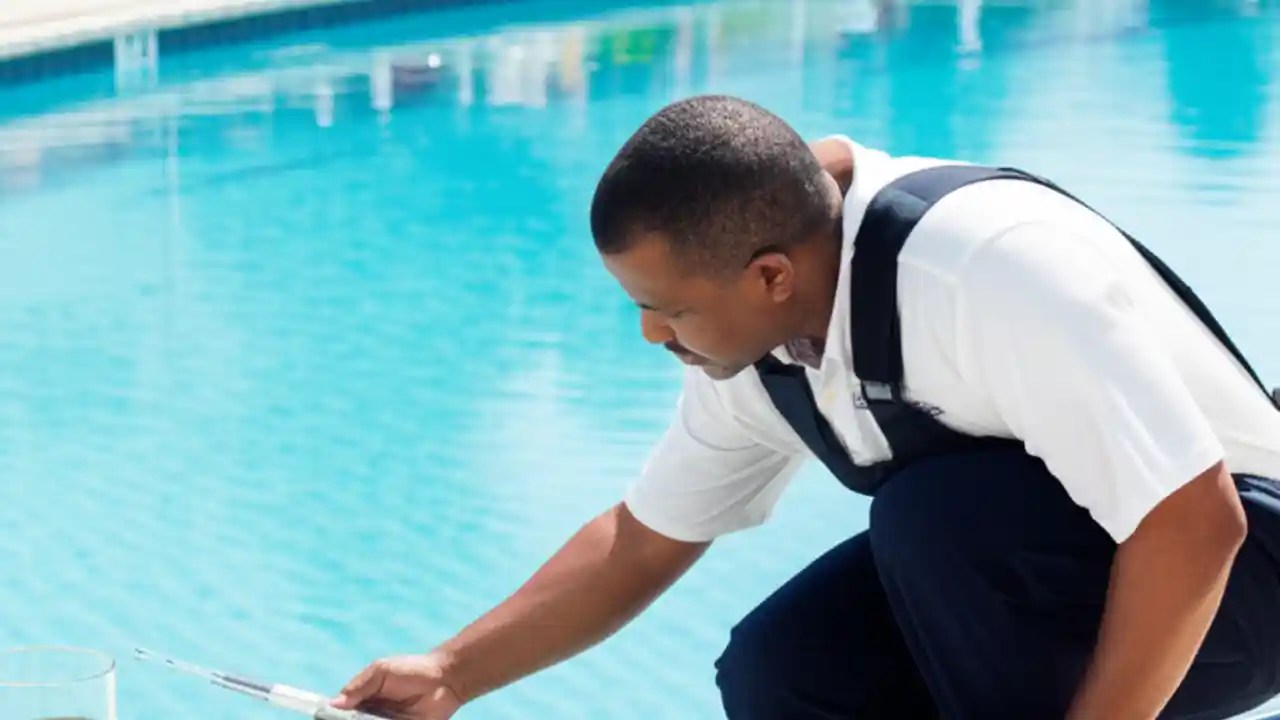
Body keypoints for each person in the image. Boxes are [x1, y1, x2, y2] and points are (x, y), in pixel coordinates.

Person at [330, 95, 1280, 719]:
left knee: (934, 517)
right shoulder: (757, 335)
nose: (653, 338)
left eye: (668, 311)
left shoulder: (984, 268)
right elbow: (645, 538)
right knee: (784, 669)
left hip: (1243, 575)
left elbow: (1196, 523)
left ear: (769, 275)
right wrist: (453, 671)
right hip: (1065, 569)